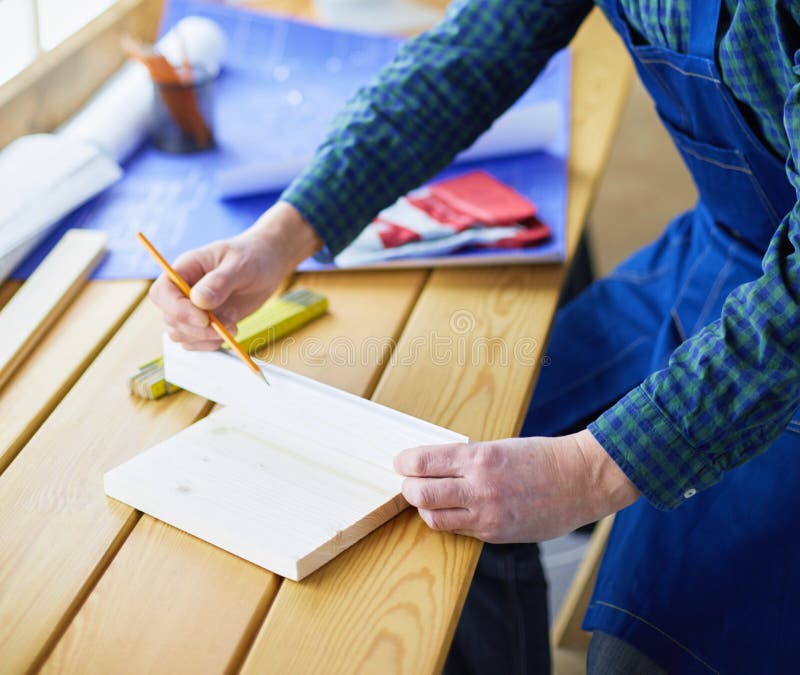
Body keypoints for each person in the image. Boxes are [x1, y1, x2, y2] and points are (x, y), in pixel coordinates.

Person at [149, 0, 800, 673]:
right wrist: (281, 235)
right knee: (434, 490)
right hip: (721, 252)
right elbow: (466, 58)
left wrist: (591, 470)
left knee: (637, 659)